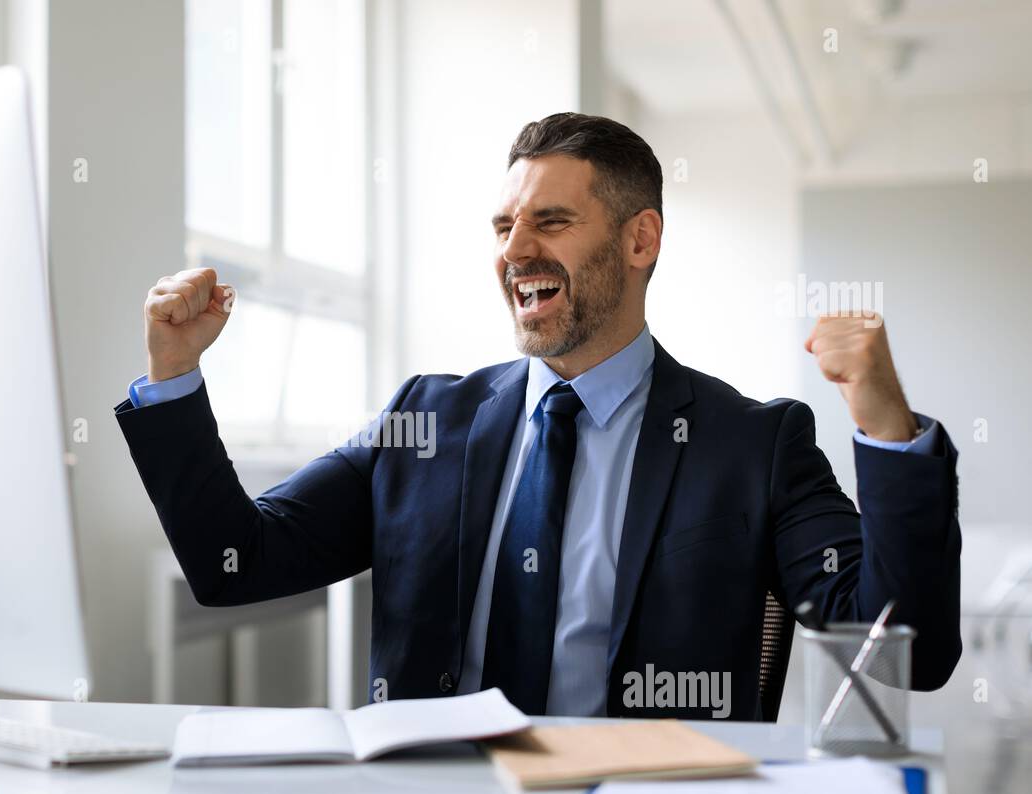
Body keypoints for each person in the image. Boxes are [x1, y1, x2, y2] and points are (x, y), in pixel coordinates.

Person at [115, 113, 960, 719]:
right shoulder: (426, 420)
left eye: (550, 222)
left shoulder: (752, 444)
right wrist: (175, 377)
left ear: (640, 242)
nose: (516, 250)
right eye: (504, 225)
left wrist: (886, 427)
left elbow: (903, 653)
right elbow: (237, 565)